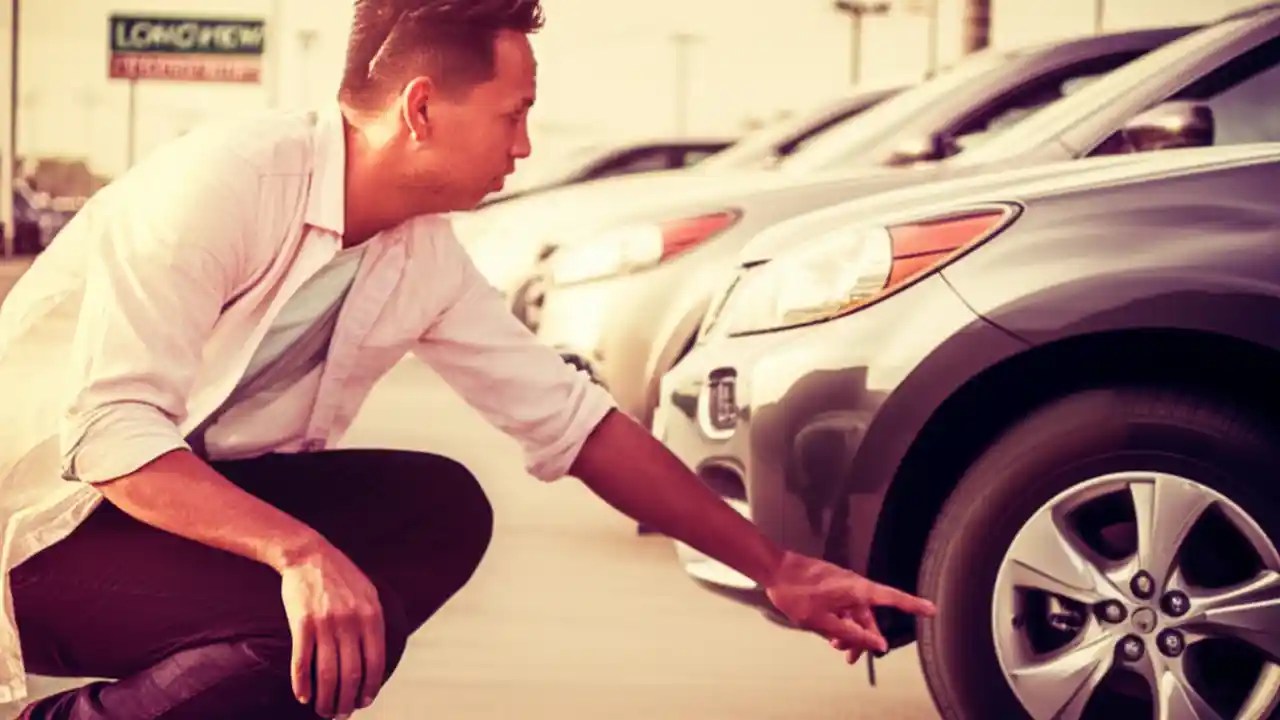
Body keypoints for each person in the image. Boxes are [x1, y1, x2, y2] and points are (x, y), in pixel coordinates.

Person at [0, 1, 936, 718]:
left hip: (171, 513)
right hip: (39, 528)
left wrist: (777, 566)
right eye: (512, 114)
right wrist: (303, 555)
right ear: (420, 109)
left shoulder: (418, 251)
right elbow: (111, 435)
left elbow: (573, 424)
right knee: (293, 616)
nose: (525, 148)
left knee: (438, 511)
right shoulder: (224, 186)